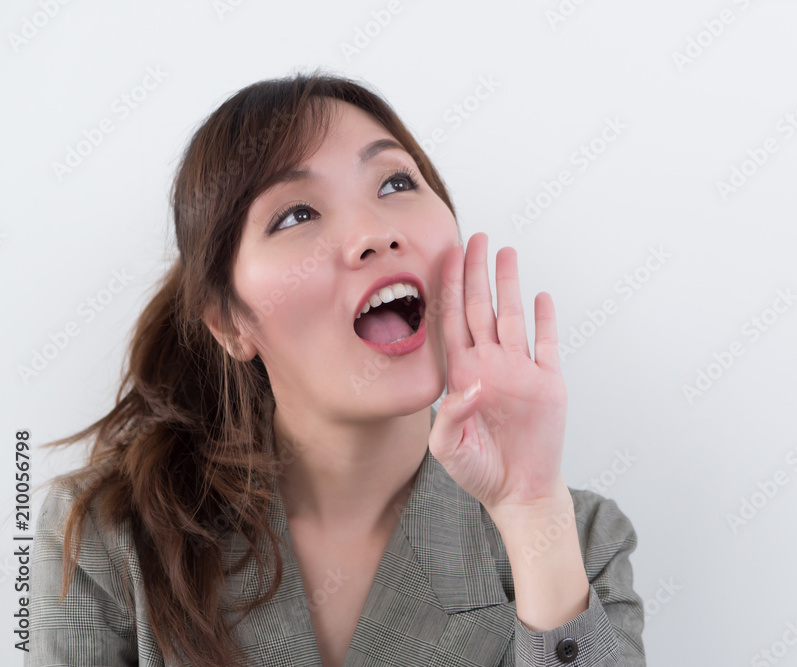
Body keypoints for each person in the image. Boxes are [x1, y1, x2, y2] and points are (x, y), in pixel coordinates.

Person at [28, 70, 645, 666]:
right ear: (230, 323)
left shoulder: (578, 540)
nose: (374, 233)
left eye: (395, 184)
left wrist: (532, 509)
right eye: (296, 214)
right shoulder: (104, 538)